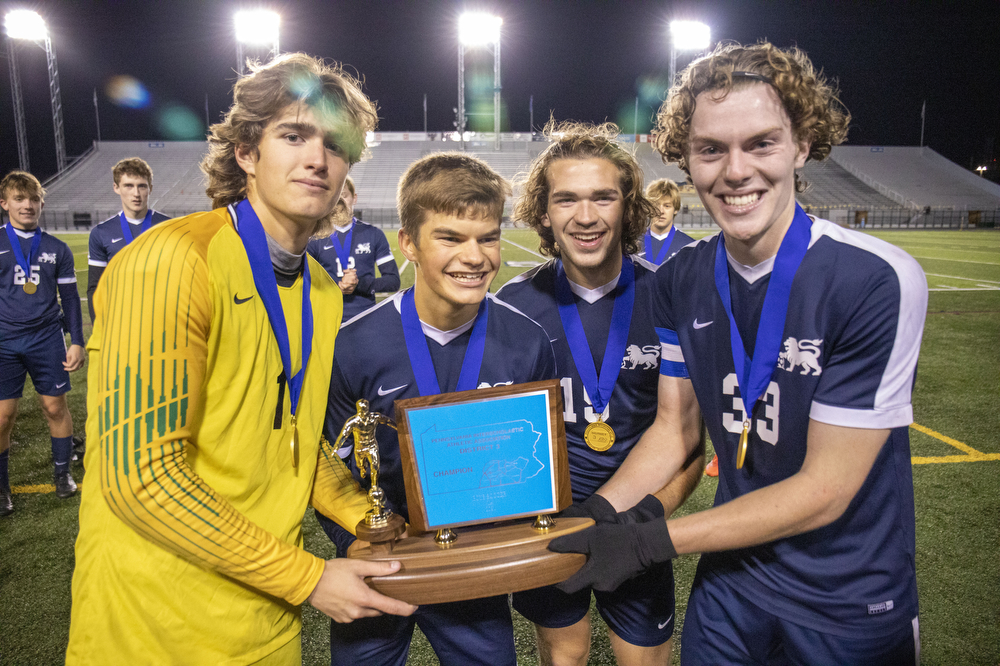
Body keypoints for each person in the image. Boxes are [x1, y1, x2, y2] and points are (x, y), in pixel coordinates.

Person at [550, 43, 928, 665]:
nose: (734, 171)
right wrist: (594, 516)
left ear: (802, 145)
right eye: (710, 149)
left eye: (760, 143)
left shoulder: (876, 279)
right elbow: (674, 429)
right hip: (733, 587)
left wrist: (647, 542)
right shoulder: (681, 278)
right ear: (686, 158)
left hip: (849, 599)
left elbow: (826, 489)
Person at [67, 53, 416, 665]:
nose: (317, 158)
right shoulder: (170, 261)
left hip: (265, 628)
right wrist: (309, 579)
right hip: (151, 632)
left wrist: (373, 519)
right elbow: (141, 478)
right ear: (246, 153)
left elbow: (293, 450)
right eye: (293, 135)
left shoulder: (322, 289)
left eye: (336, 145)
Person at [317, 152, 557, 666]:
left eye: (488, 237)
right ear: (408, 243)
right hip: (380, 561)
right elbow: (329, 461)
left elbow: (536, 459)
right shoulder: (352, 345)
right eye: (450, 237)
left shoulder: (526, 341)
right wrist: (353, 538)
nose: (475, 256)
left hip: (474, 563)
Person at [495, 121, 704, 666]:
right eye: (566, 199)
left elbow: (687, 440)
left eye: (602, 198)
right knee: (563, 657)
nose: (585, 217)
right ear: (544, 211)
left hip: (635, 523)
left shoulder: (668, 294)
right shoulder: (514, 303)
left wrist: (641, 518)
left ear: (628, 207)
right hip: (550, 526)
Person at [0, 171, 85, 516]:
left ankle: (62, 473)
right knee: (3, 417)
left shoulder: (56, 248)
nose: (27, 205)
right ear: (4, 203)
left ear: (41, 204)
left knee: (54, 408)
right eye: (19, 199)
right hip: (4, 342)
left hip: (47, 338)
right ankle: (2, 486)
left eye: (33, 199)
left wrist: (77, 341)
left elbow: (71, 298)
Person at [86, 157, 171, 322]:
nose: (136, 194)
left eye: (142, 186)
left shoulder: (169, 227)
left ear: (150, 188)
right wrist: (99, 329)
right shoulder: (101, 232)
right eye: (129, 186)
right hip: (119, 321)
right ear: (116, 188)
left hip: (160, 320)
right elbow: (95, 288)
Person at [307, 175, 400, 320]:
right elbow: (304, 283)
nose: (339, 201)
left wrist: (359, 284)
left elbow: (393, 282)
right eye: (334, 196)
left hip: (366, 318)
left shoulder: (373, 234)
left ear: (354, 198)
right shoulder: (314, 237)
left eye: (343, 195)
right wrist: (336, 287)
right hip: (327, 318)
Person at [641, 178, 694, 265]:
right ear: (648, 208)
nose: (661, 211)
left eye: (667, 206)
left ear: (675, 209)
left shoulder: (688, 246)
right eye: (656, 205)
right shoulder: (633, 244)